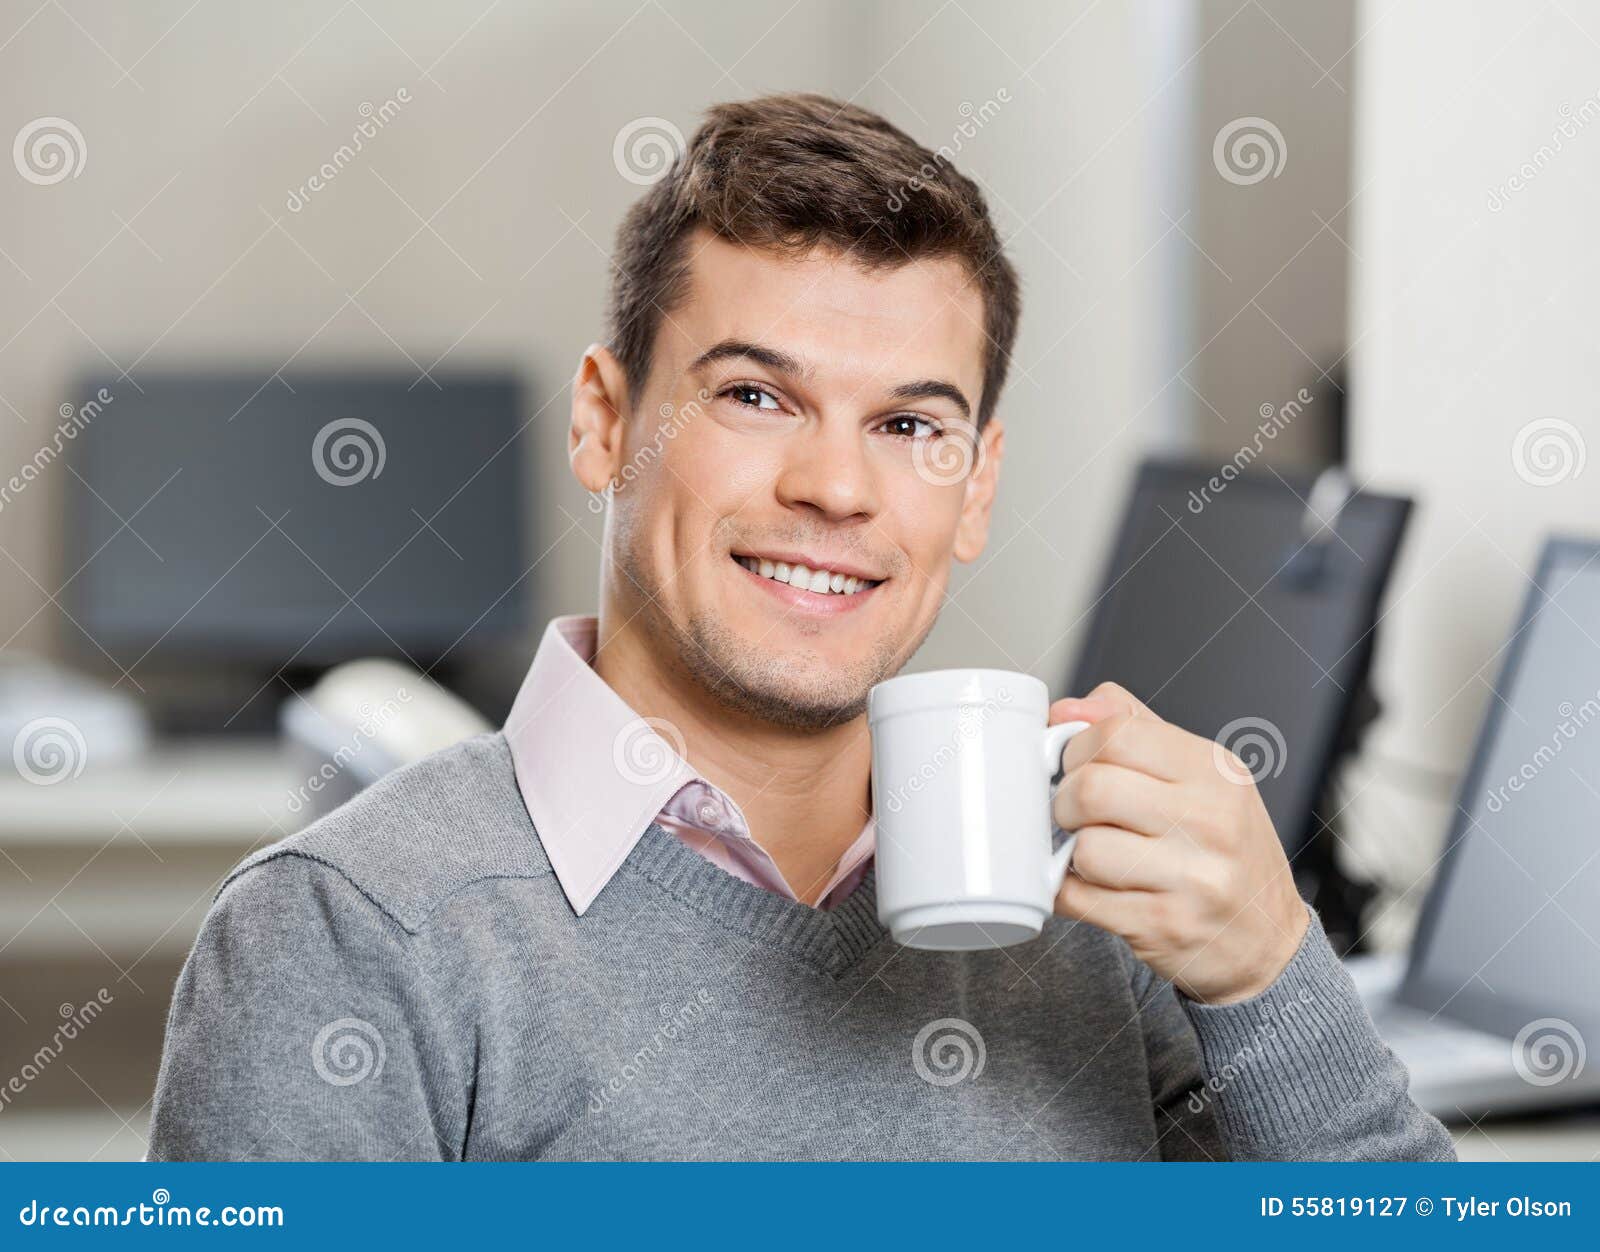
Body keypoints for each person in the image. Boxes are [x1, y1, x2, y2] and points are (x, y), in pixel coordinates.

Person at [148, 93, 1453, 1162]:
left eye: (907, 426)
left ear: (976, 483)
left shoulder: (1099, 919)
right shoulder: (341, 938)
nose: (835, 488)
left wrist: (1268, 973)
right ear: (608, 422)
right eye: (760, 397)